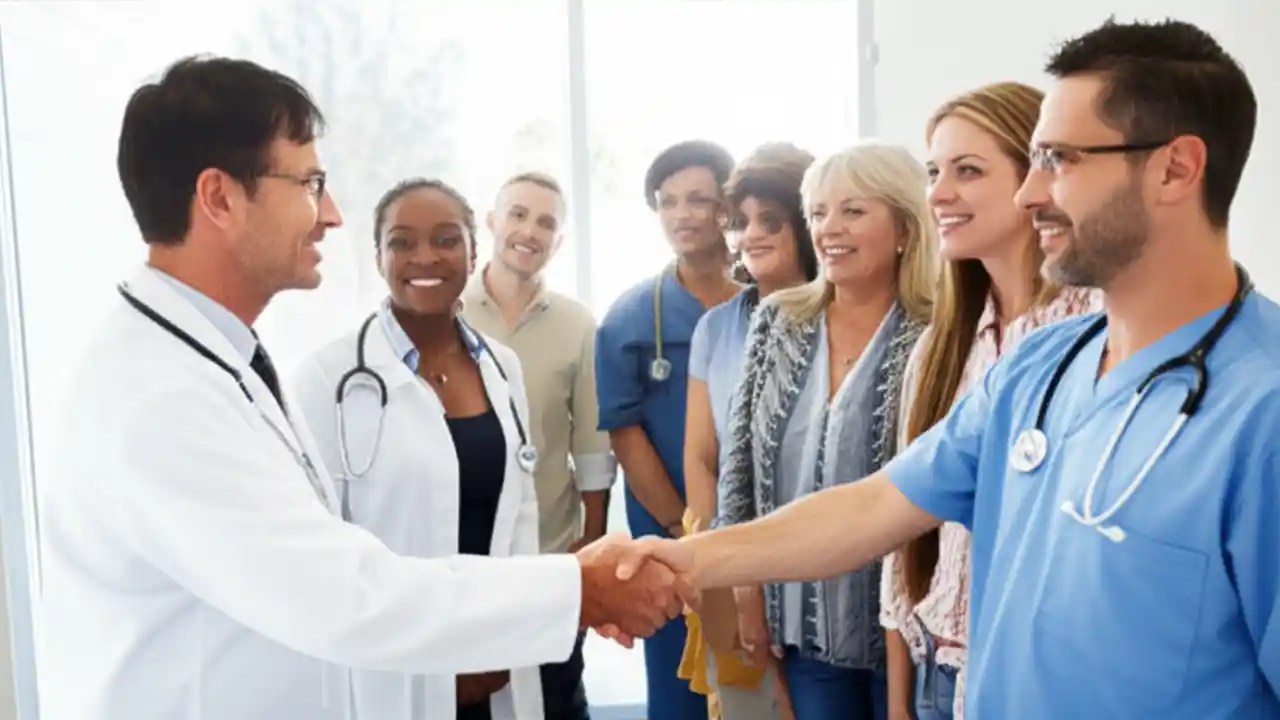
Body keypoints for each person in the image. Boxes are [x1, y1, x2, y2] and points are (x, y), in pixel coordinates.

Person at [617, 18, 1280, 720]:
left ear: (1176, 168)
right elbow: (874, 506)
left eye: (1061, 160)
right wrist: (687, 561)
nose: (1030, 194)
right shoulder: (1039, 366)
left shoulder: (1259, 407)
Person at [37, 55, 683, 720]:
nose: (332, 215)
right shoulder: (163, 398)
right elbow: (344, 593)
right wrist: (578, 588)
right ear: (220, 198)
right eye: (310, 183)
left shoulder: (219, 365)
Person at [290, 177, 553, 719]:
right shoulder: (328, 380)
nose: (424, 257)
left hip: (497, 662)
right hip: (393, 675)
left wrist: (506, 639)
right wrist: (440, 656)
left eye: (446, 239)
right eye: (402, 242)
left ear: (473, 250)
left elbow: (520, 521)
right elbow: (317, 552)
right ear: (379, 256)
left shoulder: (502, 368)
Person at [878, 82, 1101, 720]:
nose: (938, 194)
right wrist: (900, 703)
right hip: (936, 672)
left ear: (1039, 178)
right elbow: (904, 538)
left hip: (1040, 684)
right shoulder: (939, 350)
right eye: (934, 172)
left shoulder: (1097, 335)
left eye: (967, 171)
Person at [717, 142, 934, 720]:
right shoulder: (779, 321)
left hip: (915, 637)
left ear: (906, 229)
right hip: (799, 628)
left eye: (853, 211)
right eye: (817, 213)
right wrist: (746, 597)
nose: (828, 229)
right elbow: (739, 473)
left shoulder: (939, 331)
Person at [461, 171, 617, 720]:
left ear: (559, 240)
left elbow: (593, 447)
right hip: (462, 559)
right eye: (519, 214)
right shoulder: (444, 310)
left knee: (557, 699)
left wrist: (590, 548)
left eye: (547, 222)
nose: (530, 231)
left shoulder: (577, 325)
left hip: (549, 553)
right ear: (492, 221)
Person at [595, 139, 740, 719]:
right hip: (669, 536)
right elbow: (626, 438)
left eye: (698, 199)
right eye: (668, 201)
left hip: (761, 531)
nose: (682, 214)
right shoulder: (631, 320)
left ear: (727, 207)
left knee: (759, 685)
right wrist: (688, 538)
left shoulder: (768, 304)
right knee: (682, 689)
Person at [678, 142, 819, 720]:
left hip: (818, 567)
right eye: (739, 223)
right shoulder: (716, 329)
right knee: (745, 708)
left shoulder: (842, 317)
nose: (749, 236)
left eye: (770, 221)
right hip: (729, 561)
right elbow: (700, 458)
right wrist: (725, 568)